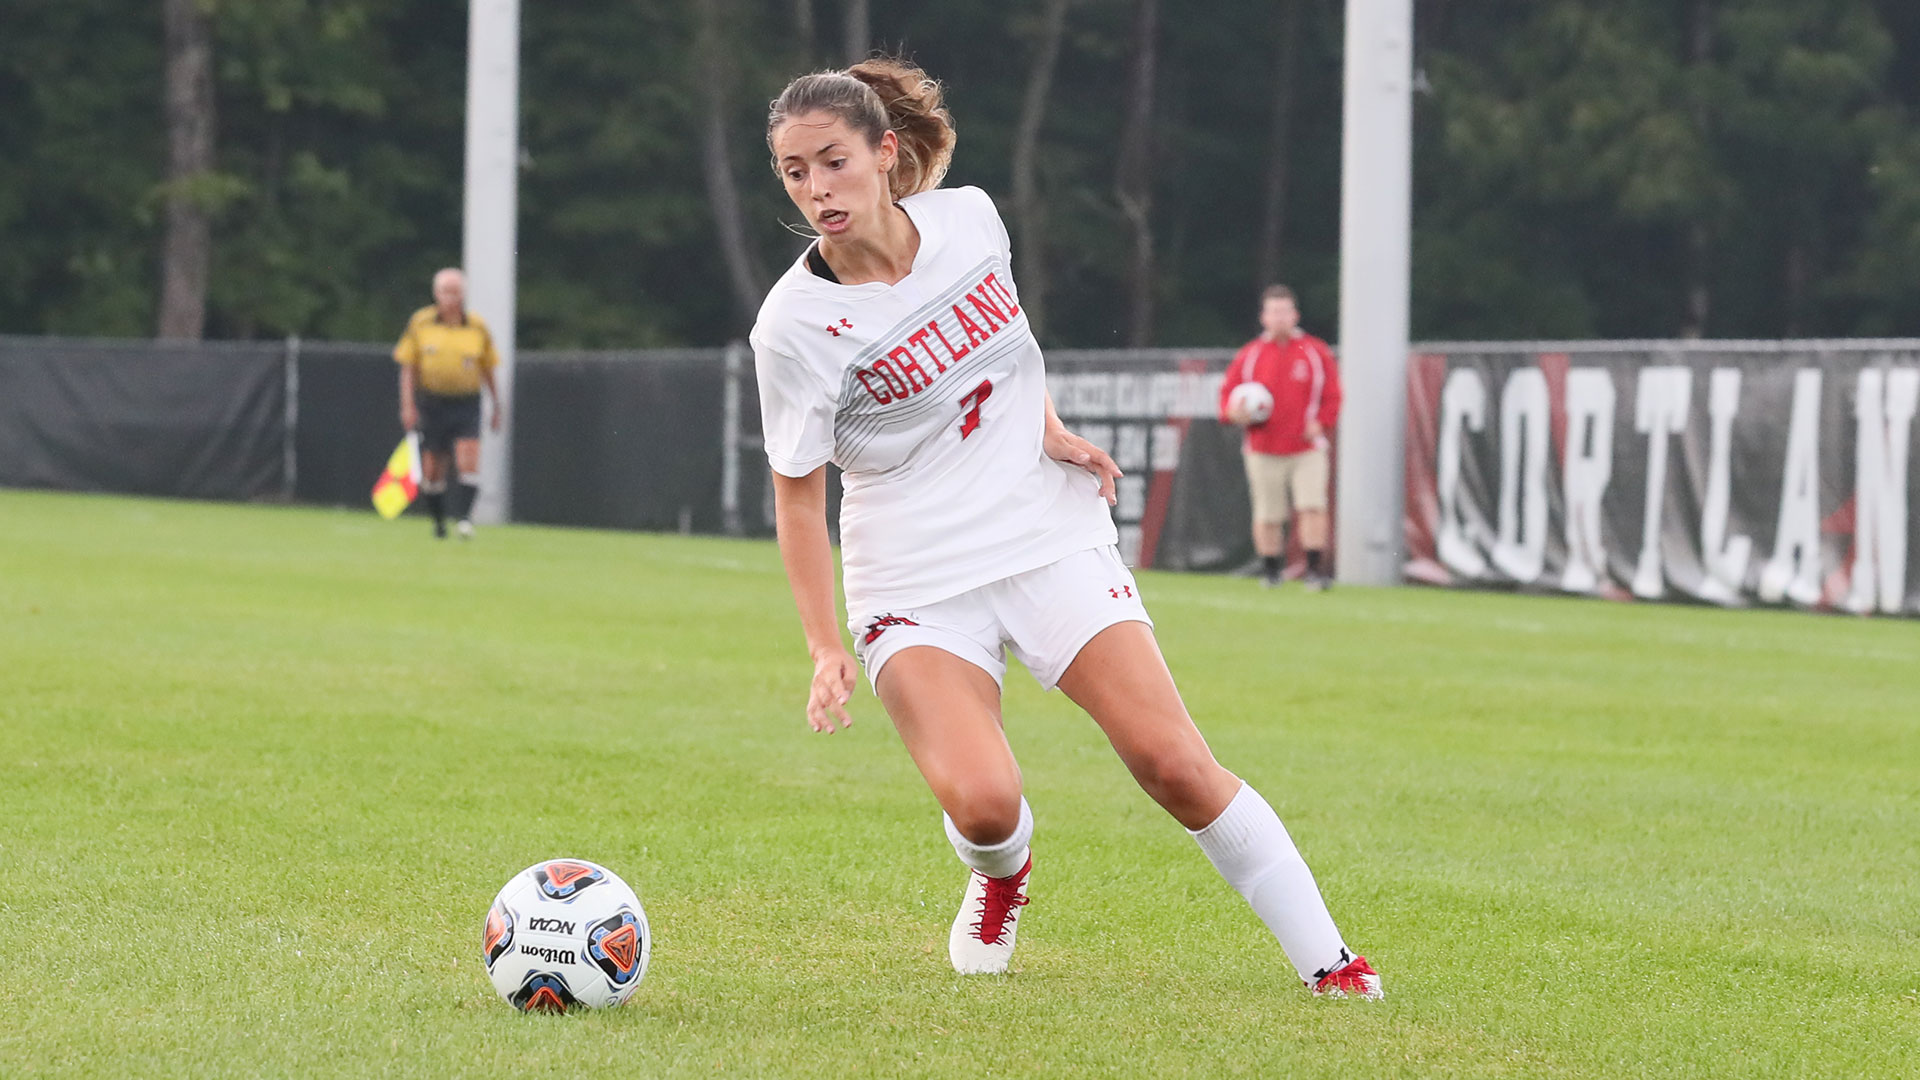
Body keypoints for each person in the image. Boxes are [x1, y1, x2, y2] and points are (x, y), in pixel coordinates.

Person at [752, 59, 1380, 998]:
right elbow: (798, 494)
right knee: (986, 800)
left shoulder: (971, 220)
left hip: (1046, 535)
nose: (816, 189)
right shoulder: (792, 326)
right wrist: (821, 644)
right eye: (795, 172)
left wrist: (1047, 431)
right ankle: (1002, 876)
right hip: (912, 576)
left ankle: (1331, 965)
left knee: (1173, 762)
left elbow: (1009, 348)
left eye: (833, 162)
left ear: (886, 153)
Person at [1219, 285, 1342, 590]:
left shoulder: (1315, 351)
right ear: (1264, 317)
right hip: (1262, 448)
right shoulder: (1250, 355)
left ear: (1295, 315)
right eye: (1274, 312)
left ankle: (1315, 571)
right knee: (1268, 513)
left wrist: (1322, 422)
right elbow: (1227, 400)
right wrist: (1235, 413)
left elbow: (1334, 395)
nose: (1280, 318)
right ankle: (1272, 571)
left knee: (1313, 506)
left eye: (1285, 312)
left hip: (1307, 447)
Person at [392, 268, 503, 539]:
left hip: (467, 402)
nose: (450, 298)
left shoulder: (477, 326)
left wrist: (497, 404)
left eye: (456, 292)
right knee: (432, 469)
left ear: (463, 294)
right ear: (436, 293)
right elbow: (408, 366)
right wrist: (408, 405)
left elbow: (488, 367)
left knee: (468, 457)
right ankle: (440, 523)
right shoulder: (421, 322)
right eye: (445, 291)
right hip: (432, 402)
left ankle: (465, 520)